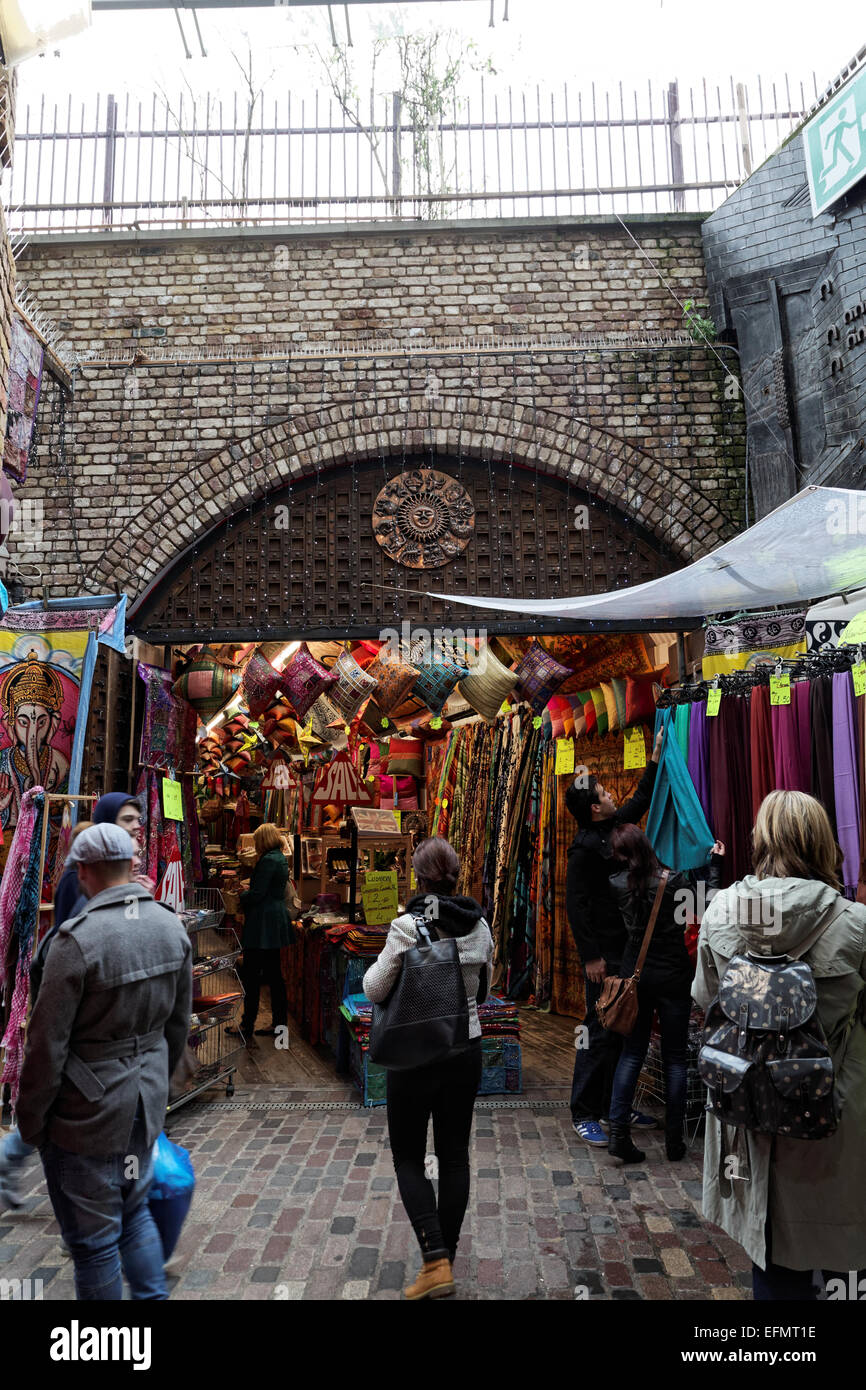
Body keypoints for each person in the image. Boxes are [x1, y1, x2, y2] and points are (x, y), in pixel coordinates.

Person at [693, 790, 866, 1300]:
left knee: (769, 1257)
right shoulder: (854, 925)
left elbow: (706, 1000)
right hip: (829, 1112)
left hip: (746, 1106)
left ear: (760, 840)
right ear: (824, 844)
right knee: (837, 1255)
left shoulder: (722, 911)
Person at [16, 823, 192, 1301]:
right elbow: (178, 1026)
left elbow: (46, 1047)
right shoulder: (168, 926)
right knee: (133, 1213)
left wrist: (31, 1121)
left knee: (94, 1244)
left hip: (86, 1114)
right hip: (142, 1104)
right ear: (131, 866)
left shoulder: (76, 941)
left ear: (85, 872)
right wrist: (154, 1081)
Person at [362, 837, 494, 1302]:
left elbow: (375, 989)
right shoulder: (480, 926)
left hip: (415, 1054)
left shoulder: (405, 926)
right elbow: (483, 993)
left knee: (408, 1157)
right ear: (457, 874)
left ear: (418, 878)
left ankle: (435, 1260)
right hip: (465, 1049)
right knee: (455, 1155)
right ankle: (446, 1258)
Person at [565, 728, 664, 1145]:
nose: (610, 796)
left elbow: (638, 803)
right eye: (604, 793)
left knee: (623, 1026)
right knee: (598, 1028)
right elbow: (576, 904)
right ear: (593, 809)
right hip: (603, 954)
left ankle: (613, 1106)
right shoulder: (584, 848)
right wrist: (590, 956)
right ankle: (584, 1111)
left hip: (624, 950)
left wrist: (656, 760)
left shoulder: (615, 827)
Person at [606, 825, 724, 1163]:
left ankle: (618, 1133)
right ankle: (675, 1140)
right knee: (674, 1058)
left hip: (636, 977)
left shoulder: (616, 885)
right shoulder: (672, 882)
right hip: (672, 976)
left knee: (631, 1054)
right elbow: (709, 906)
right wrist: (715, 866)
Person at [0, 817, 93, 1212]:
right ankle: (12, 1162)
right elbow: (73, 936)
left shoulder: (80, 878)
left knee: (61, 1102)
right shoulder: (76, 880)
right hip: (67, 995)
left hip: (73, 996)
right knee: (57, 1101)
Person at [227, 822, 294, 1045]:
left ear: (262, 840)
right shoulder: (279, 858)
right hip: (274, 919)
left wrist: (241, 896)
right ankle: (279, 1024)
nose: (255, 844)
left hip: (263, 923)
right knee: (275, 976)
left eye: (257, 840)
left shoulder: (268, 860)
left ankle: (247, 1023)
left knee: (252, 975)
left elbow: (257, 894)